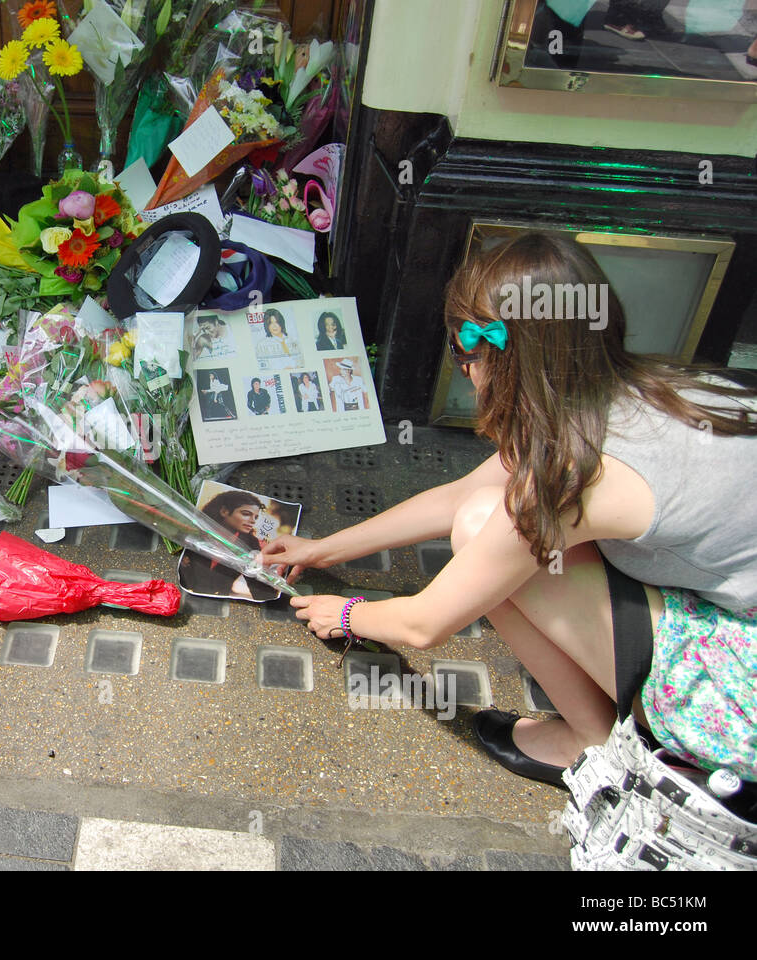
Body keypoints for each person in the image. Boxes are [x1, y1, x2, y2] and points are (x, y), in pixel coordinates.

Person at [264, 231, 757, 794]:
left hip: (738, 700)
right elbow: (458, 494)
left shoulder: (569, 475)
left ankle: (589, 743)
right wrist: (323, 549)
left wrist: (345, 614)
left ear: (489, 358)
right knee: (485, 516)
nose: (464, 371)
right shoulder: (638, 389)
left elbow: (426, 624)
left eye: (462, 351)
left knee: (486, 528)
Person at [180, 490, 281, 601]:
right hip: (182, 592)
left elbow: (255, 580)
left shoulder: (250, 543)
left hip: (215, 600)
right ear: (224, 511)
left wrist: (273, 600)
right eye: (246, 514)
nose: (253, 521)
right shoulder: (197, 530)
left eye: (255, 517)